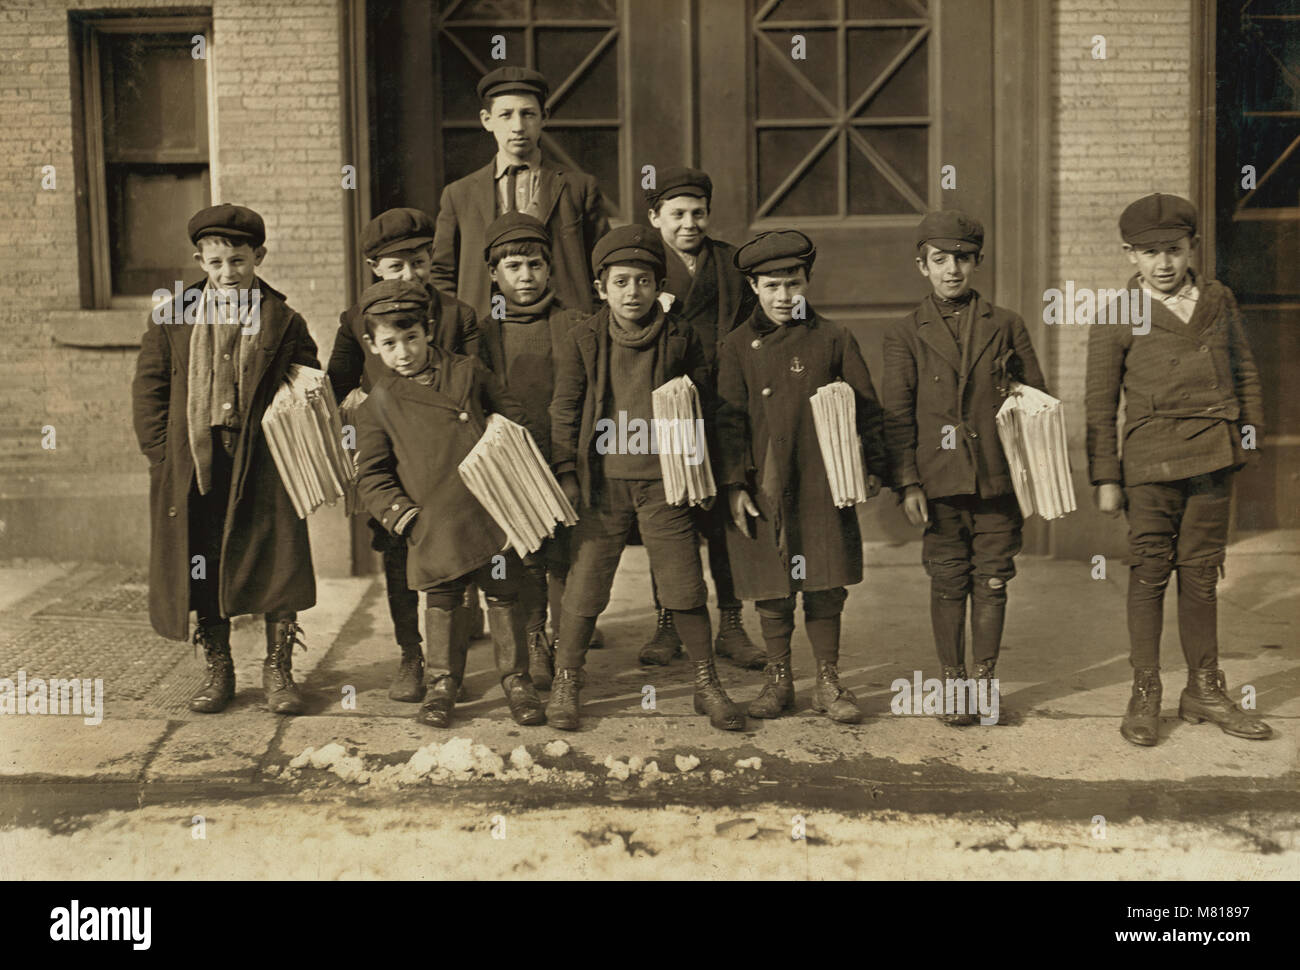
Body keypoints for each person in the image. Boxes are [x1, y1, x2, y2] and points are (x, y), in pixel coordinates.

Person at [1085, 192, 1273, 746]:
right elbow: (1100, 403)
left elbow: (1246, 373)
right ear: (1129, 255)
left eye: (1173, 250)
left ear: (1192, 246)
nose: (1163, 264)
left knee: (1202, 575)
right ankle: (1146, 689)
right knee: (1148, 574)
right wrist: (1106, 478)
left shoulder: (1219, 301)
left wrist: (1248, 439)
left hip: (1213, 455)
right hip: (1149, 463)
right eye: (1149, 253)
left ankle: (1204, 688)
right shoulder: (1116, 314)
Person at [547, 225, 746, 732]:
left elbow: (708, 406)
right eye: (620, 282)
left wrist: (702, 473)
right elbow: (565, 410)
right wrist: (567, 473)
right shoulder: (583, 338)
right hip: (603, 483)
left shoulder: (682, 338)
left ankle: (706, 682)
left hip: (664, 482)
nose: (631, 292)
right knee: (586, 586)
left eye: (642, 281)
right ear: (601, 288)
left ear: (659, 285)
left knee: (683, 582)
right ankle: (568, 679)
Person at [132, 203, 318, 715]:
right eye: (215, 263)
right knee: (204, 564)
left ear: (257, 256)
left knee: (278, 563)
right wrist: (161, 457)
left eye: (238, 261)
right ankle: (219, 669)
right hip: (197, 461)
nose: (227, 273)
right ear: (200, 261)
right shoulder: (173, 317)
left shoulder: (283, 319)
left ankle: (279, 669)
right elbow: (150, 390)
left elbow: (309, 383)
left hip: (265, 463)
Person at [353, 279, 544, 728]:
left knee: (503, 593)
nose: (404, 352)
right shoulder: (378, 404)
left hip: (492, 513)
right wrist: (405, 517)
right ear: (373, 345)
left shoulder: (469, 371)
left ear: (430, 329)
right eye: (390, 343)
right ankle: (442, 682)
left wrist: (515, 462)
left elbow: (513, 417)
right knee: (442, 599)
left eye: (412, 338)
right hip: (434, 523)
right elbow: (373, 474)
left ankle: (517, 679)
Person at [881, 210, 1046, 726]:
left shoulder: (1007, 324)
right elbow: (897, 416)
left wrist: (1034, 475)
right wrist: (908, 482)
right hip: (939, 484)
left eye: (963, 259)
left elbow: (1037, 401)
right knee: (949, 580)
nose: (952, 269)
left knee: (993, 579)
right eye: (940, 260)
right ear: (921, 265)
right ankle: (953, 679)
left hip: (997, 480)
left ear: (977, 262)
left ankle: (985, 678)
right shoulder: (905, 333)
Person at [716, 230, 887, 723]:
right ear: (753, 287)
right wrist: (733, 485)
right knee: (773, 582)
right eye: (771, 286)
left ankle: (828, 681)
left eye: (793, 284)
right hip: (764, 481)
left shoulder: (833, 338)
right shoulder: (735, 346)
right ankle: (778, 679)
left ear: (807, 280)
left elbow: (867, 407)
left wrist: (872, 466)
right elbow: (726, 421)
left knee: (824, 581)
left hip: (819, 479)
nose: (784, 297)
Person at [327, 207, 482, 702]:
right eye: (396, 266)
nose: (411, 275)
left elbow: (480, 381)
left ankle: (454, 659)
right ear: (374, 267)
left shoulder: (458, 314)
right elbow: (336, 381)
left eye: (419, 261)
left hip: (455, 458)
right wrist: (356, 404)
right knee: (399, 554)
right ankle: (411, 654)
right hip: (394, 460)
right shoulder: (357, 320)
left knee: (468, 555)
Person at [637, 166, 763, 669]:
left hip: (723, 408)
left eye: (698, 213)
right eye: (677, 214)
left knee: (724, 522)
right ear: (655, 217)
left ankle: (732, 625)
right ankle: (668, 622)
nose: (689, 224)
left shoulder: (732, 263)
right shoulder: (643, 266)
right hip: (666, 412)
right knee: (671, 521)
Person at [475, 211, 592, 688]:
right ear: (494, 274)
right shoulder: (483, 332)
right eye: (514, 267)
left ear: (549, 269)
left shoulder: (576, 323)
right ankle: (534, 638)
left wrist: (574, 461)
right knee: (524, 555)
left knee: (566, 554)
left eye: (535, 266)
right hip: (512, 462)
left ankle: (568, 647)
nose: (526, 277)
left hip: (566, 454)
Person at [430, 66, 609, 315]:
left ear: (544, 117)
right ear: (486, 120)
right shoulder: (459, 194)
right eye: (506, 115)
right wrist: (460, 327)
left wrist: (591, 321)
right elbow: (442, 275)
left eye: (528, 114)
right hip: (485, 327)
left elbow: (604, 265)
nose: (518, 126)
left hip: (565, 326)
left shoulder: (578, 187)